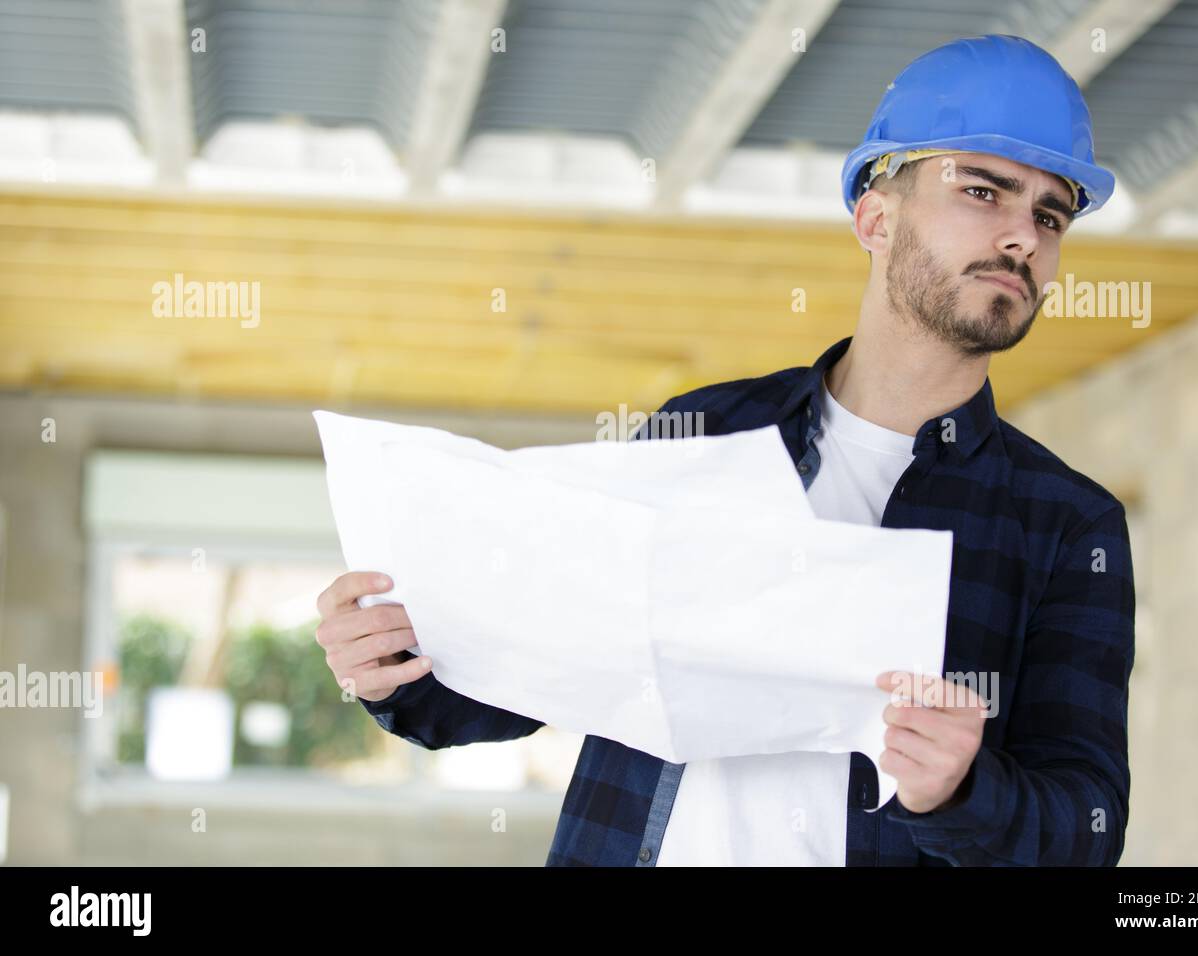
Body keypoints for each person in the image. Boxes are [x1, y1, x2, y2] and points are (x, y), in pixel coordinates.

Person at [314, 34, 1135, 866]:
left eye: (1048, 214)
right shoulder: (702, 432)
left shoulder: (1066, 526)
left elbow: (1088, 828)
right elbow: (543, 670)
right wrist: (398, 665)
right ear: (876, 219)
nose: (1023, 237)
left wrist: (962, 793)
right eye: (984, 191)